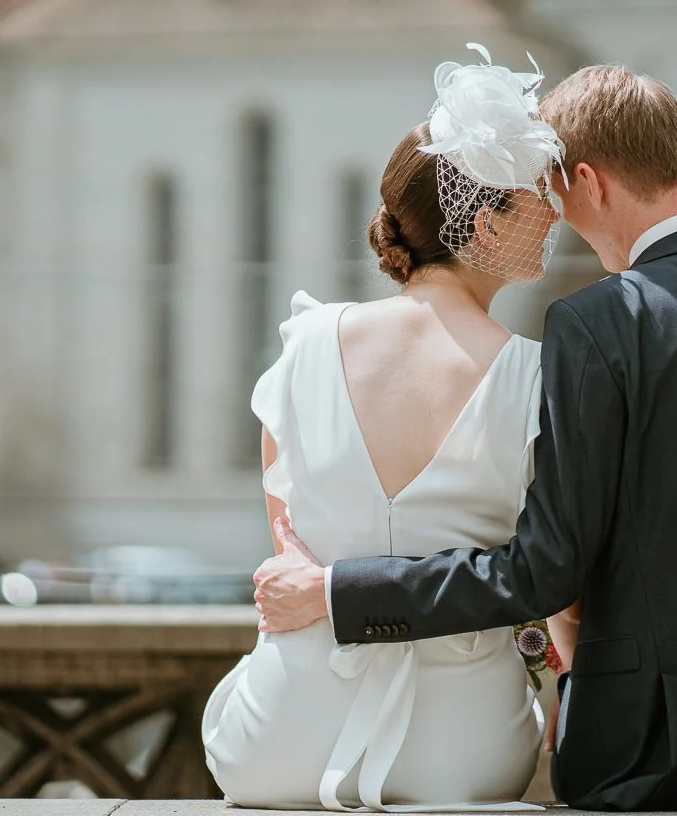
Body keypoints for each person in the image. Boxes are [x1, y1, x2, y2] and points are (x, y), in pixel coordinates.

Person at [256, 64, 677, 811]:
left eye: (559, 190)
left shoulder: (597, 323)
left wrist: (340, 591)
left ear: (592, 181)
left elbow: (545, 571)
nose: (556, 214)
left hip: (647, 758)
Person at [202, 47, 573, 810]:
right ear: (484, 218)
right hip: (466, 752)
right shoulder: (537, 376)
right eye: (534, 196)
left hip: (281, 736)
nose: (554, 214)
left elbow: (288, 545)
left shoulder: (305, 344)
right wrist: (554, 669)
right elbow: (552, 582)